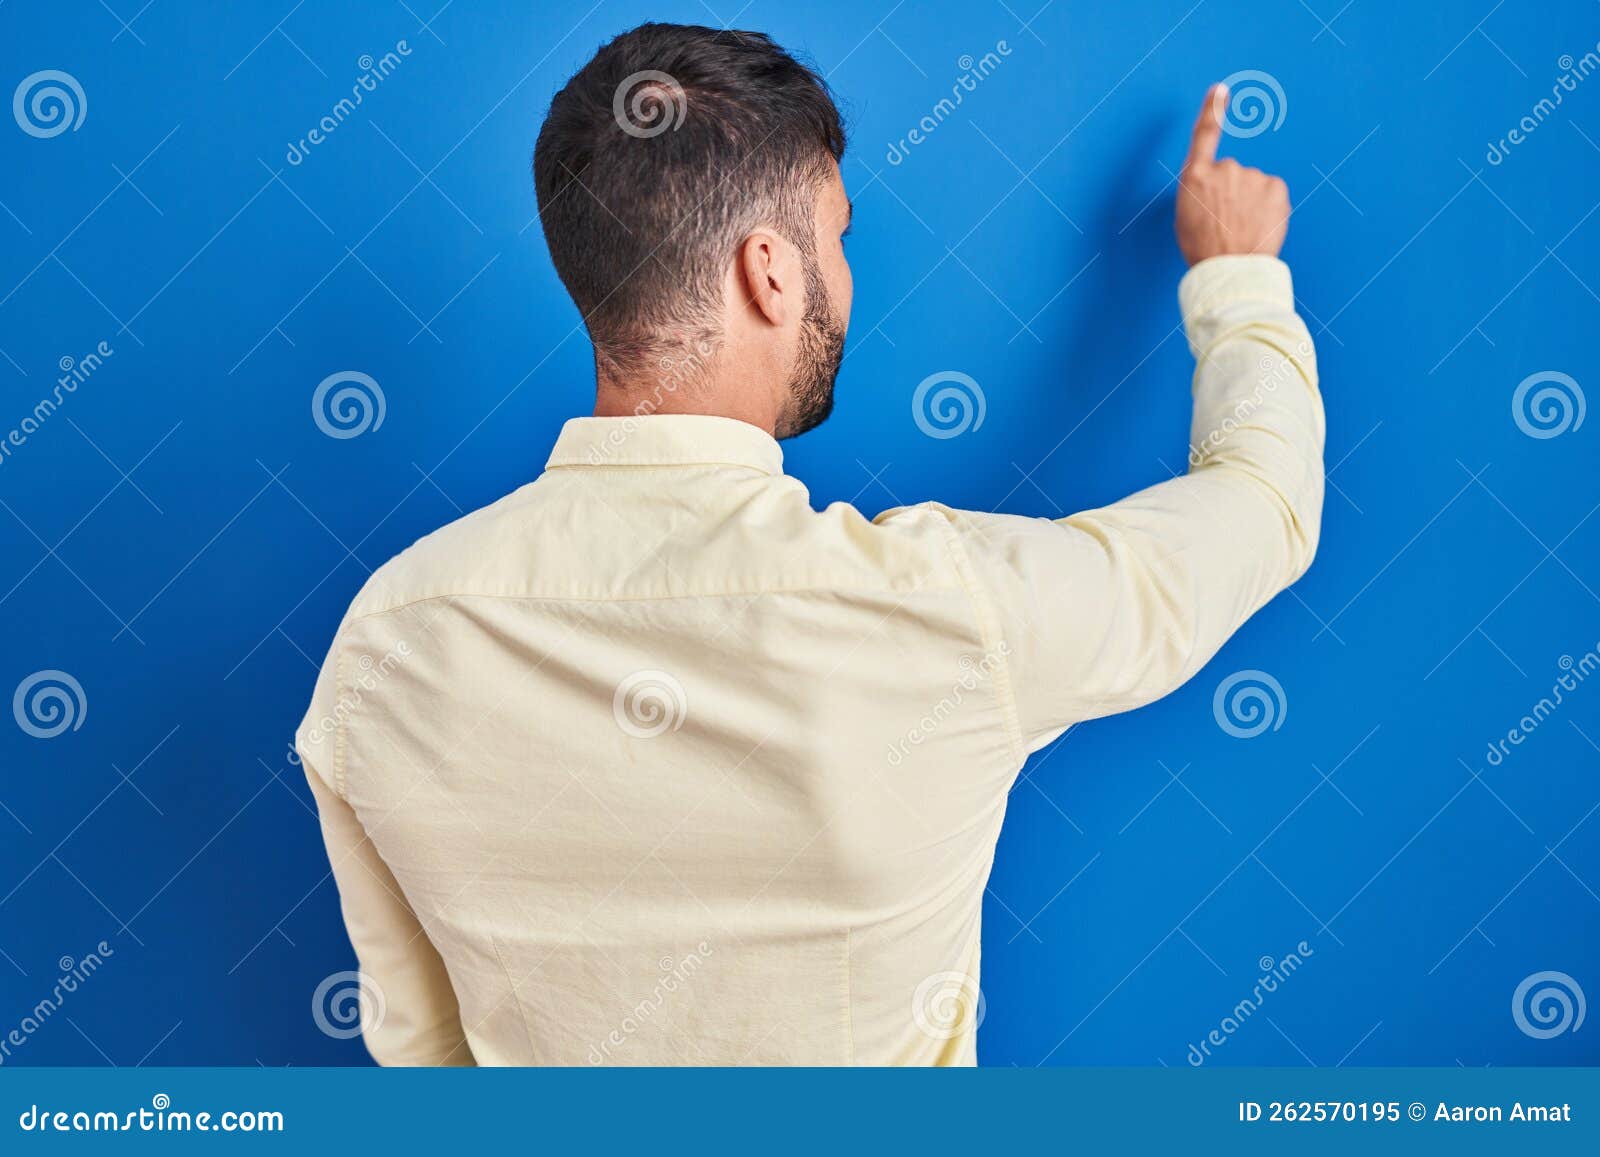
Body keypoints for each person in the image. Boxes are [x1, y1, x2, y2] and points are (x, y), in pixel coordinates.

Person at [297, 22, 1322, 1066]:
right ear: (770, 272)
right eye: (836, 236)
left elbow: (421, 1054)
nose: (843, 270)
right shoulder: (945, 607)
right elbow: (1262, 505)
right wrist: (1236, 276)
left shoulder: (384, 640)